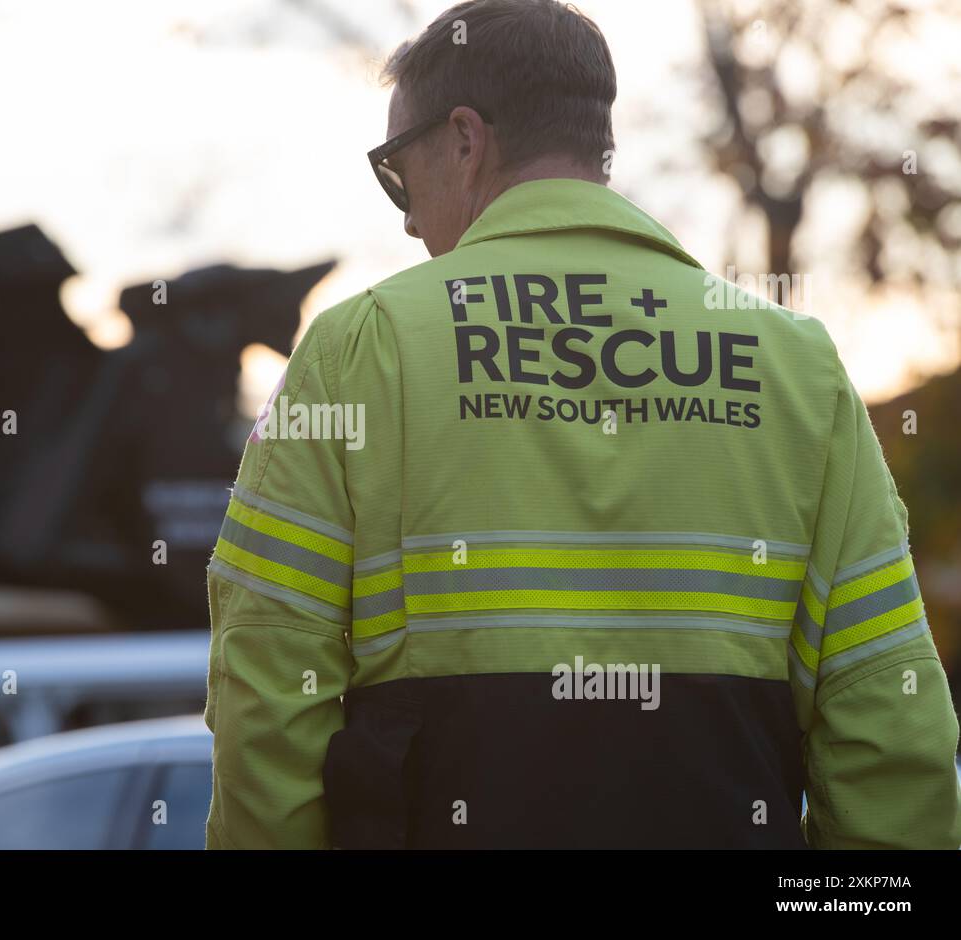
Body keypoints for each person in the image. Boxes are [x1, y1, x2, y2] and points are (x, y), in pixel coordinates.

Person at [202, 0, 961, 848]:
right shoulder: (797, 365)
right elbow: (886, 707)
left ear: (464, 139)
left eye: (396, 173)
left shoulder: (362, 348)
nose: (409, 218)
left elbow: (268, 681)